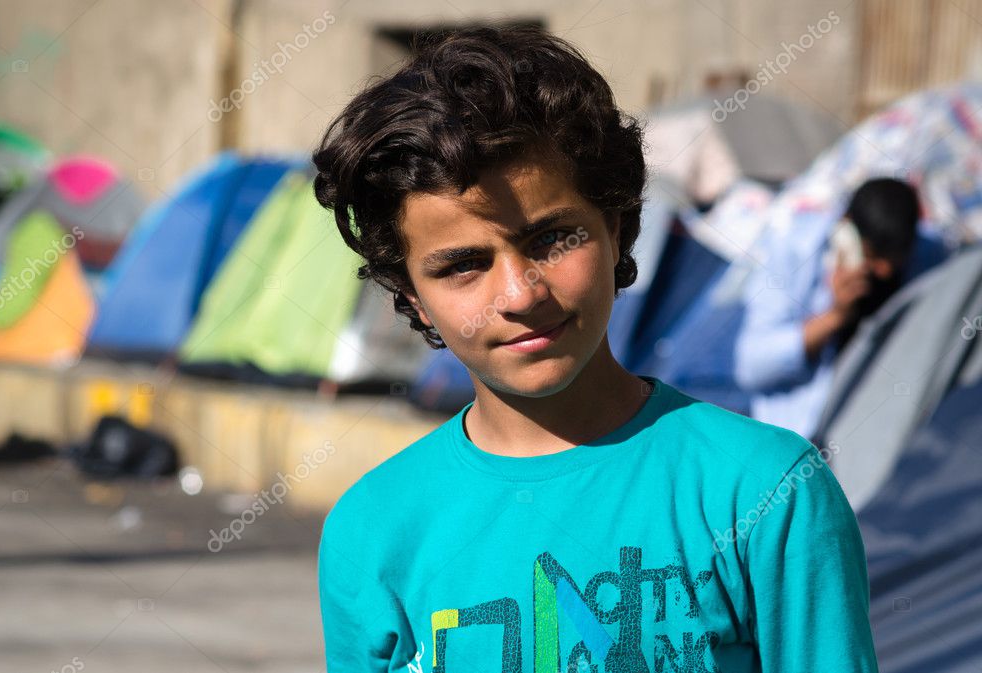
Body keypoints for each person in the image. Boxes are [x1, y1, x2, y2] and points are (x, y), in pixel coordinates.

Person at [313, 26, 877, 673]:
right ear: (409, 294)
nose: (520, 293)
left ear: (615, 225)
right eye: (463, 265)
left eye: (553, 238)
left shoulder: (765, 490)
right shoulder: (373, 529)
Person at [735, 178, 946, 439]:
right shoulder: (794, 251)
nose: (884, 271)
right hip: (801, 436)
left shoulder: (932, 256)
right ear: (845, 230)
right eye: (874, 257)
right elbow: (752, 368)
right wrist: (834, 317)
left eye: (895, 259)